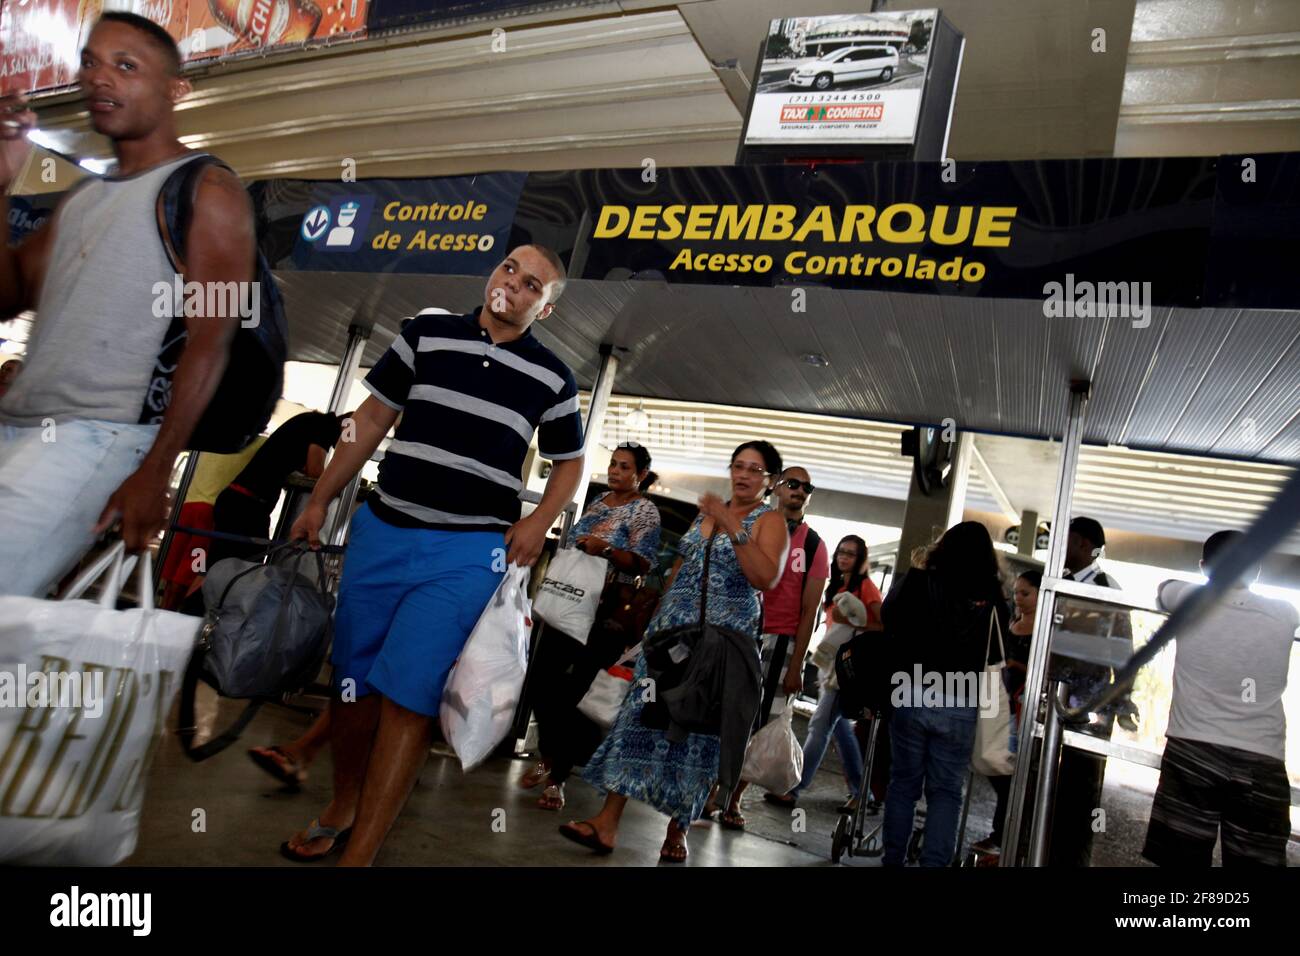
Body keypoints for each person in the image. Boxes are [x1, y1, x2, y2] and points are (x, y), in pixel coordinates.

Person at [279, 245, 585, 865]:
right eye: (508, 270)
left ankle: (359, 853)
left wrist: (539, 521)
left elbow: (570, 462)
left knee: (410, 698)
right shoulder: (425, 332)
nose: (513, 286)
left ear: (544, 308)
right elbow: (367, 421)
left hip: (469, 552)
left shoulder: (553, 378)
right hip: (381, 533)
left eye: (531, 285)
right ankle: (342, 803)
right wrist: (319, 501)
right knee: (350, 688)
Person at [0, 13, 256, 597]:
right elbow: (9, 294)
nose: (99, 79)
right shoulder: (85, 196)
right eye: (91, 62)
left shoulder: (208, 190)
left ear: (174, 90)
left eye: (126, 66)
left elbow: (211, 341)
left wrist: (156, 468)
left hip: (97, 435)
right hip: (18, 425)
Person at [559, 440, 788, 863]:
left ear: (770, 480)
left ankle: (677, 830)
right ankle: (607, 823)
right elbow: (681, 568)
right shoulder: (707, 512)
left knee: (696, 733)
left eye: (755, 470)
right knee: (638, 719)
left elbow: (764, 578)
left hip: (717, 647)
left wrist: (731, 525)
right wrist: (651, 627)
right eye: (738, 465)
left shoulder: (768, 520)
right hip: (669, 639)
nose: (743, 475)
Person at [521, 440, 662, 812]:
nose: (616, 471)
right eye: (613, 465)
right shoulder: (598, 502)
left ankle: (556, 777)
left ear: (641, 475)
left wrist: (608, 549)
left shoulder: (644, 510)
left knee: (573, 695)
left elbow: (644, 564)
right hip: (569, 604)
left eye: (625, 466)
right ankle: (550, 757)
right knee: (539, 684)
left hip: (603, 616)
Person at [1143, 531, 1297, 867]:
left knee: (1179, 859)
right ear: (1256, 570)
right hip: (1262, 759)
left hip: (1192, 751)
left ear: (1203, 568)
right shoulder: (1286, 612)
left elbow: (1162, 590)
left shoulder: (1189, 598)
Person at [881, 521, 1010, 867]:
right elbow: (1001, 648)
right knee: (946, 792)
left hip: (911, 690)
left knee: (903, 785)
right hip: (961, 699)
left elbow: (889, 616)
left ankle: (892, 859)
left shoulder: (921, 580)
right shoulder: (994, 597)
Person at [715, 465, 829, 830]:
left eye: (806, 487)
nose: (799, 491)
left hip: (780, 641)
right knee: (722, 712)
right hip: (738, 630)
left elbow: (810, 609)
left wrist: (798, 664)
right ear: (776, 487)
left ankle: (731, 798)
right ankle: (708, 790)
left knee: (759, 724)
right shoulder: (753, 525)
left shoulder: (814, 544)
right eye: (792, 484)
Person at [766, 535, 883, 811]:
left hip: (846, 672)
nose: (844, 557)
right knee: (841, 731)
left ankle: (795, 790)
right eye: (841, 552)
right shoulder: (837, 585)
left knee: (820, 726)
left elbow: (882, 626)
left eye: (851, 554)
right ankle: (862, 792)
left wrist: (858, 621)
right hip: (832, 667)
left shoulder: (866, 587)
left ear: (861, 558)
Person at [1045, 515, 1135, 866]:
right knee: (1045, 789)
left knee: (1079, 796)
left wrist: (1121, 700)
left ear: (1083, 544)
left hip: (1089, 710)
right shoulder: (1060, 582)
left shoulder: (1106, 588)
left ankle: (1069, 861)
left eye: (1064, 539)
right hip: (1052, 703)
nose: (1058, 547)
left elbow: (1123, 648)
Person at [206, 409, 348, 567]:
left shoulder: (311, 422)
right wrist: (341, 478)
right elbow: (315, 470)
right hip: (248, 506)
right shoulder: (324, 426)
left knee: (215, 569)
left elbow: (304, 466)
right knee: (247, 569)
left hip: (238, 499)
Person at [973, 568, 1039, 860]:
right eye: (1016, 593)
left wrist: (1013, 663)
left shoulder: (1045, 631)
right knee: (992, 763)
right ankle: (1004, 835)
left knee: (1007, 771)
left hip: (1021, 707)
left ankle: (1003, 837)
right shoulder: (1012, 621)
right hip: (997, 701)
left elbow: (1044, 673)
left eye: (1025, 593)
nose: (1019, 599)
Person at [159, 439, 266, 610]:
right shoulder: (256, 442)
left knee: (174, 565)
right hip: (208, 514)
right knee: (193, 566)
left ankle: (163, 609)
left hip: (187, 507)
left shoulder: (214, 439)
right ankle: (175, 614)